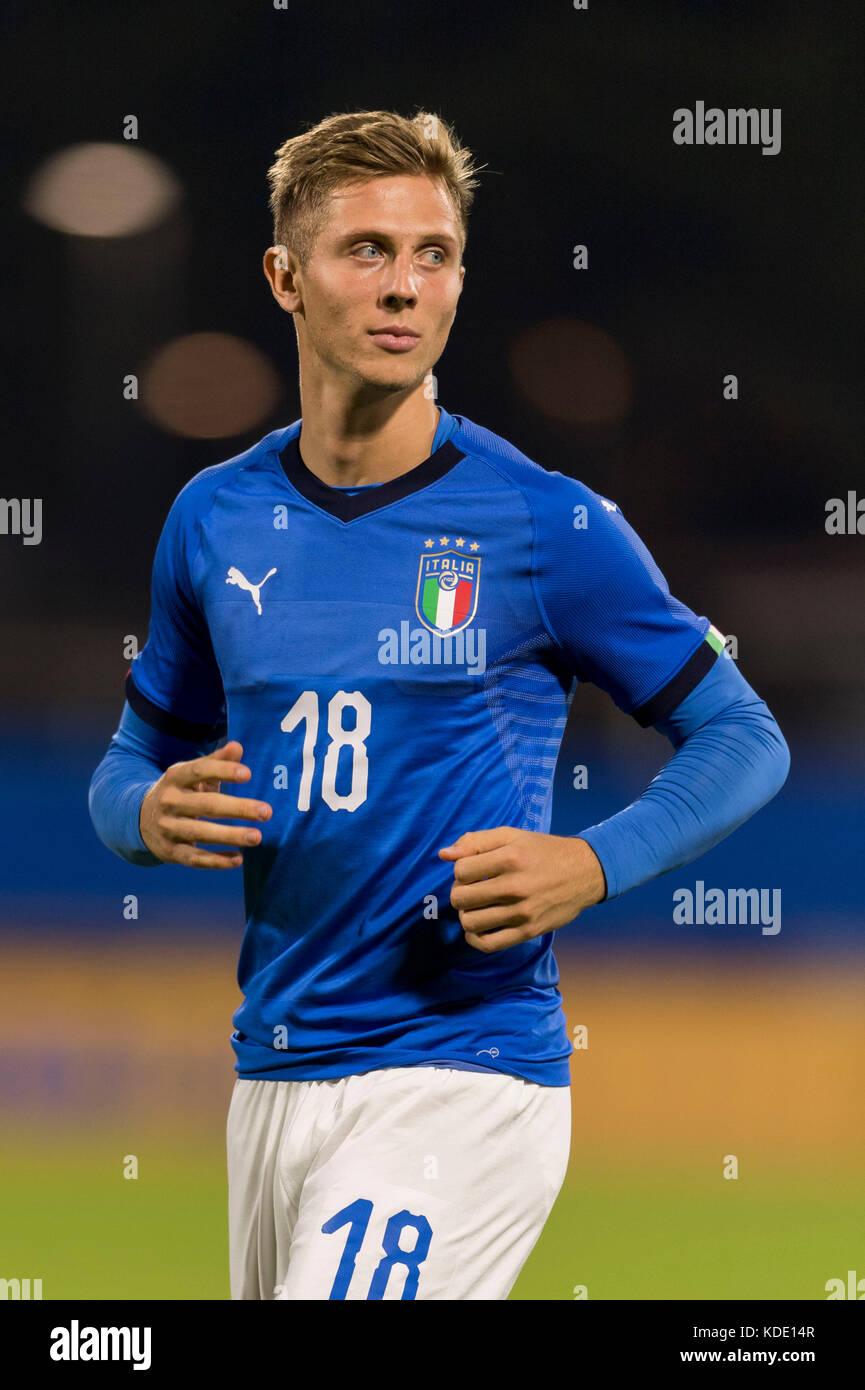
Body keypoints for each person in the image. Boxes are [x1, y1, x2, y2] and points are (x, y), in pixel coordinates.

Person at [89, 108, 790, 1300]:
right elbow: (127, 763)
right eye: (366, 250)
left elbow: (741, 735)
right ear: (284, 277)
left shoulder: (543, 520)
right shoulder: (212, 516)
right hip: (275, 1073)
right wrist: (146, 817)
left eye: (435, 253)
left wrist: (592, 862)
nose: (407, 286)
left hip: (461, 1073)